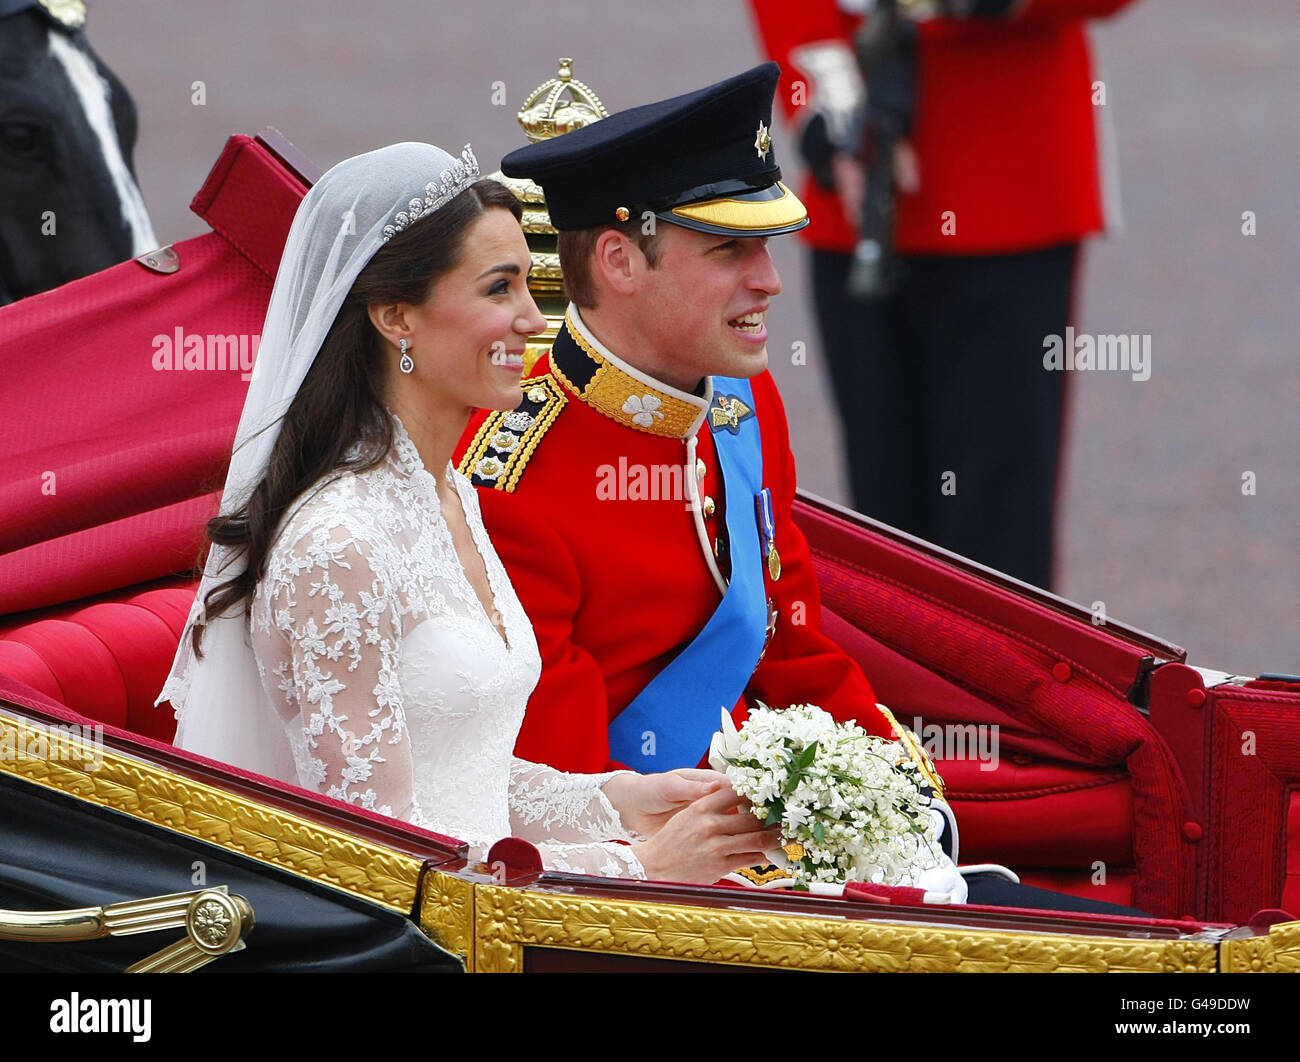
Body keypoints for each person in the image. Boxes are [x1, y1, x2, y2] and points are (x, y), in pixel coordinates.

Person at [459, 64, 1147, 915]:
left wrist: (900, 805)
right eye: (728, 251)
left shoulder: (741, 404)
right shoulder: (509, 478)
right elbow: (568, 791)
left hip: (776, 830)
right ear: (618, 260)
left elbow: (790, 645)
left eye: (767, 247)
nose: (771, 282)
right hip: (671, 882)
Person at [156, 141, 779, 884]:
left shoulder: (448, 492)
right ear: (397, 318)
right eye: (498, 289)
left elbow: (465, 776)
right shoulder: (339, 544)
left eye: (526, 286)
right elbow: (377, 854)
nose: (530, 318)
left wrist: (626, 800)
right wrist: (639, 866)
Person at [748, 0, 1138, 590]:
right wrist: (829, 107)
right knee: (883, 528)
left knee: (999, 536)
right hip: (860, 186)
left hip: (1007, 187)